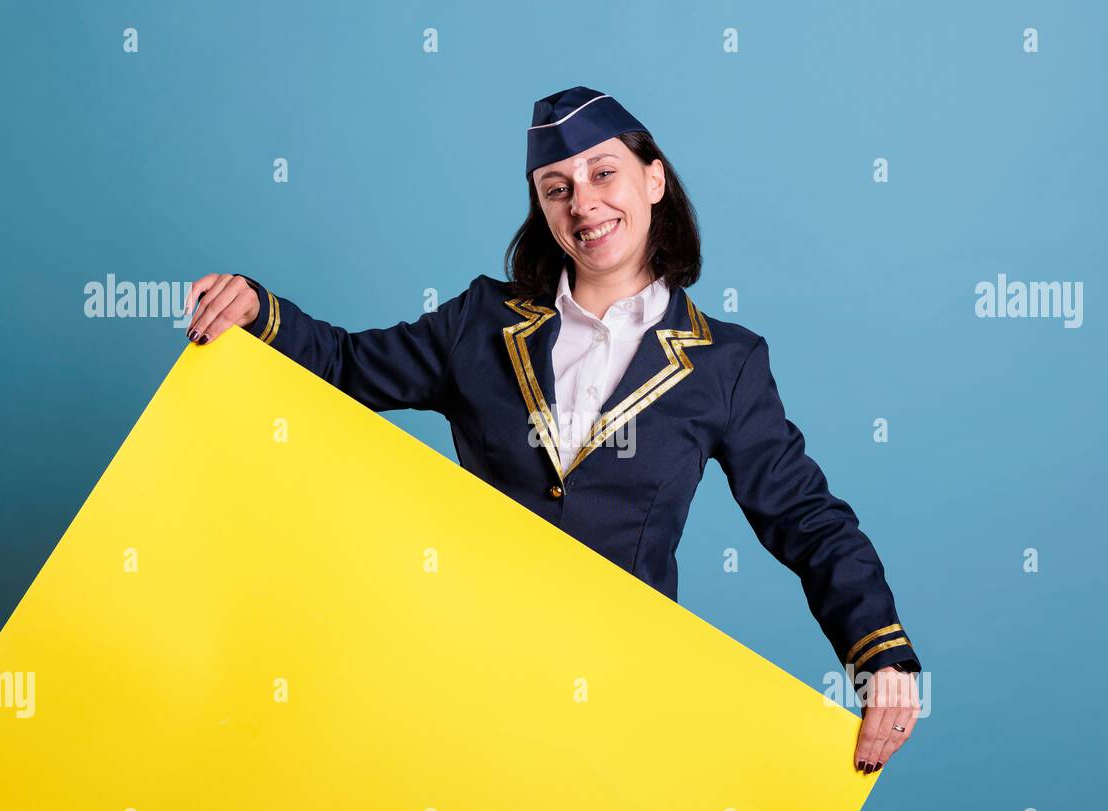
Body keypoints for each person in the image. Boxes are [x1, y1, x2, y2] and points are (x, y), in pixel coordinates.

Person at [184, 86, 921, 775]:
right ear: (542, 207)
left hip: (623, 700)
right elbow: (345, 364)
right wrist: (258, 308)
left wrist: (878, 655)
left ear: (653, 181)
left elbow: (802, 516)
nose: (585, 204)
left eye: (605, 174)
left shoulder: (726, 362)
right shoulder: (481, 322)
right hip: (464, 680)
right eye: (558, 189)